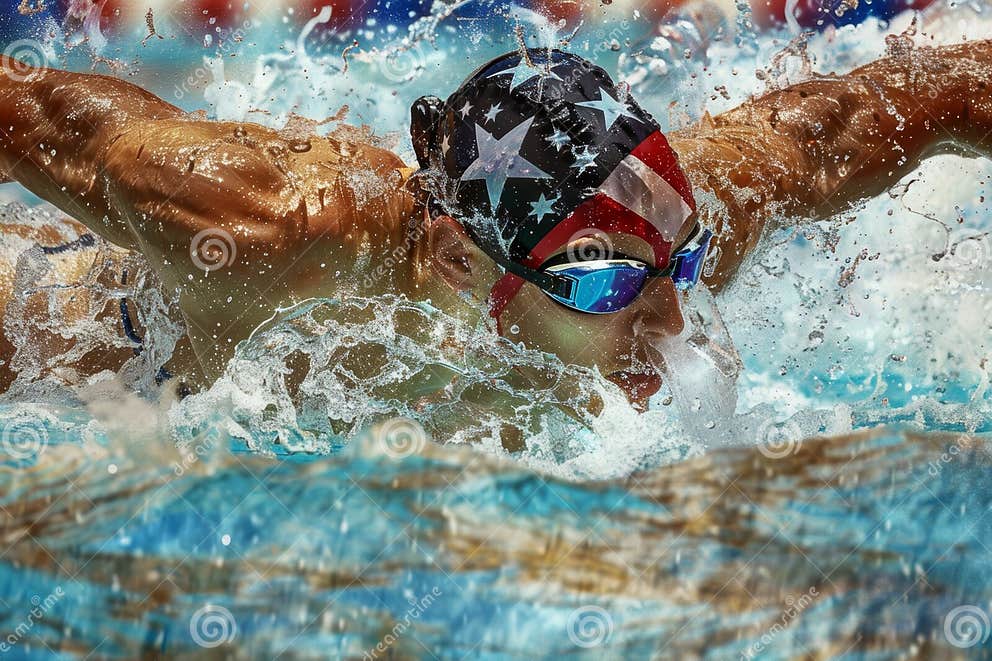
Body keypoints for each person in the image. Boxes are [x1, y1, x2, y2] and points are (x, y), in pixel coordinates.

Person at [0, 40, 985, 407]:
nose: (673, 324)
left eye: (678, 270)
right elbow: (36, 114)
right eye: (602, 286)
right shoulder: (270, 224)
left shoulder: (665, 227)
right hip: (81, 365)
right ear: (452, 255)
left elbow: (908, 100)